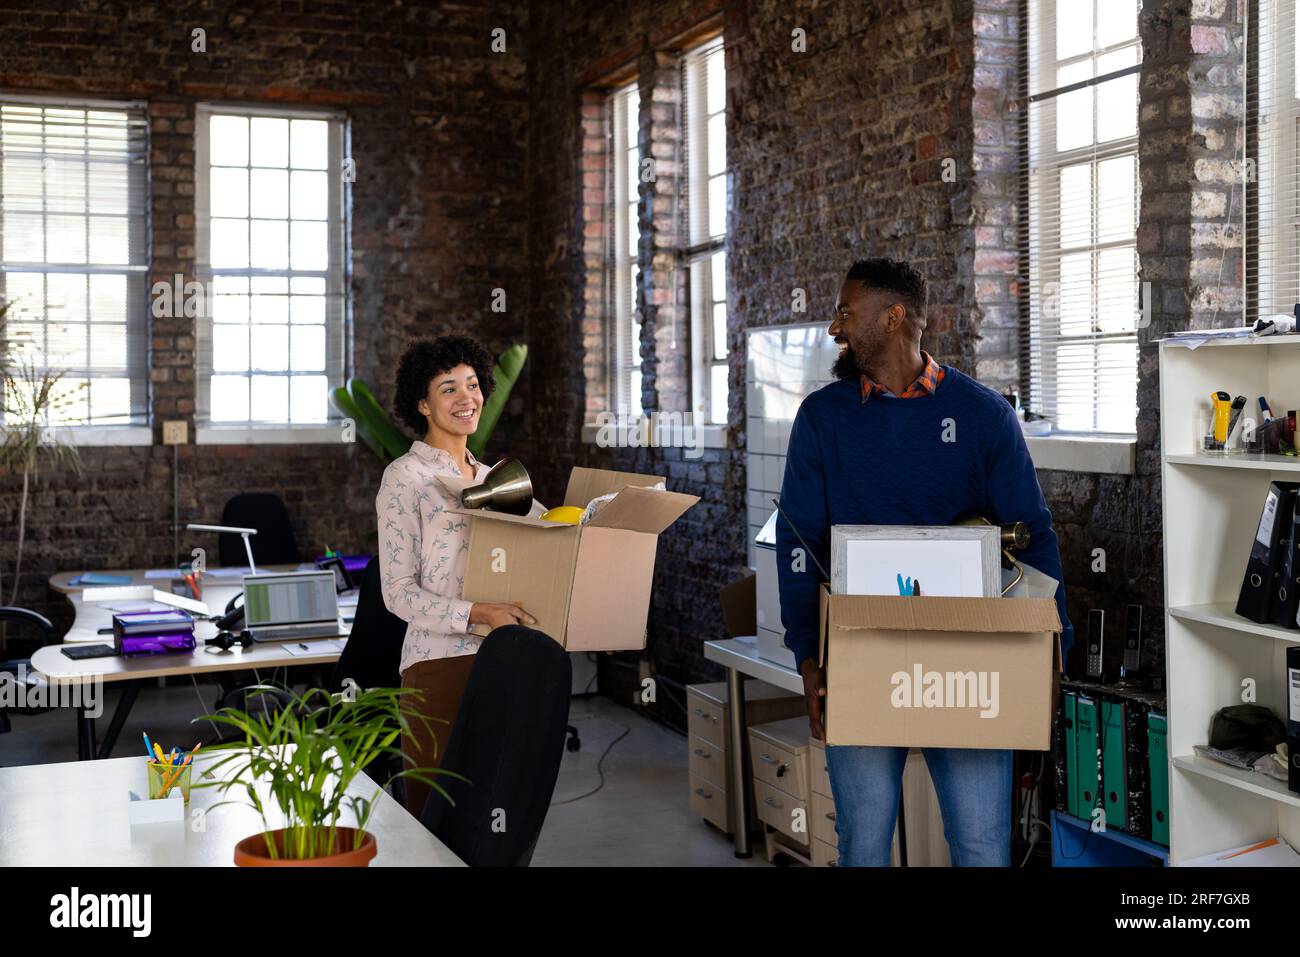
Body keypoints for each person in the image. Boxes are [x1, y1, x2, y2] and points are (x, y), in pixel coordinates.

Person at [775, 257, 1074, 866]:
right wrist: (808, 655)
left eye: (845, 312)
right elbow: (798, 541)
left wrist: (1050, 650)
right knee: (862, 846)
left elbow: (1035, 539)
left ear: (892, 318)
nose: (835, 328)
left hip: (967, 658)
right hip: (856, 653)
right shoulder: (822, 419)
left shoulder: (985, 416)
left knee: (982, 846)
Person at [377, 335, 537, 817]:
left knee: (497, 816)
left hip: (504, 661)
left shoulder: (496, 480)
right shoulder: (404, 479)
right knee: (439, 815)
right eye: (448, 389)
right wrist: (479, 613)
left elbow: (550, 536)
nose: (466, 398)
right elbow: (398, 594)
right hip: (439, 666)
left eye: (472, 384)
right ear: (423, 404)